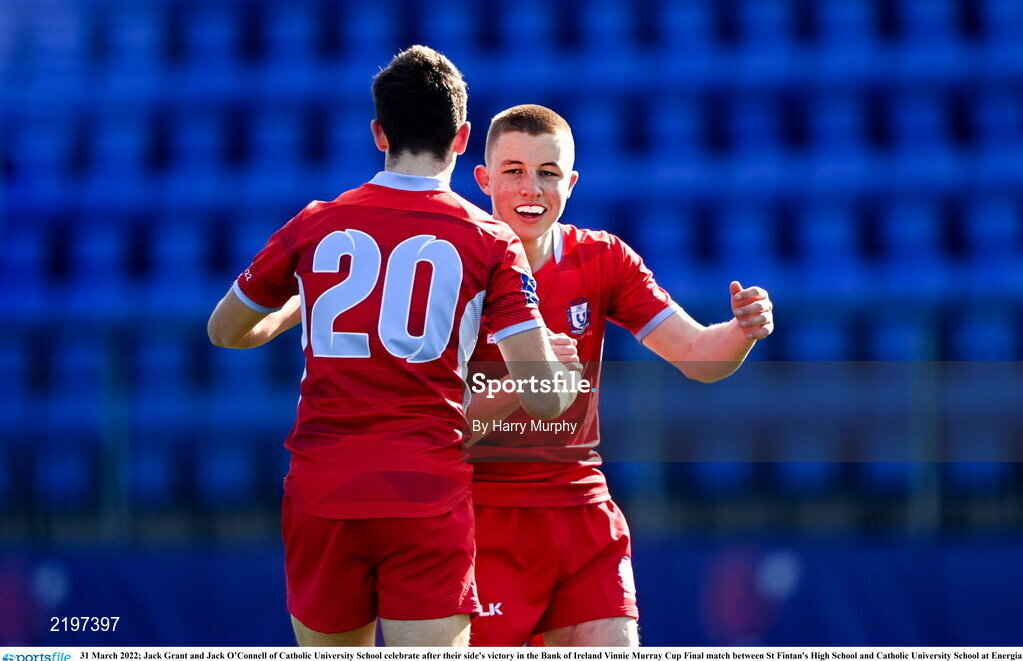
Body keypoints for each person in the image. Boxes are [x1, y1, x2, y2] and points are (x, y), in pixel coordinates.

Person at [206, 52, 577, 647]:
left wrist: (301, 305)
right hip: (425, 491)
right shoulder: (490, 241)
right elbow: (549, 400)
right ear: (462, 138)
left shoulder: (316, 224)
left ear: (379, 132)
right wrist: (562, 370)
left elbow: (223, 331)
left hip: (324, 489)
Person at [464, 104, 775, 647]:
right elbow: (443, 425)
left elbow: (697, 355)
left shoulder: (604, 259)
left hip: (580, 512)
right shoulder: (453, 265)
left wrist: (740, 332)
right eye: (513, 171)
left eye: (549, 172)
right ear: (484, 179)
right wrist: (533, 383)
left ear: (572, 182)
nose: (530, 188)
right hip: (483, 519)